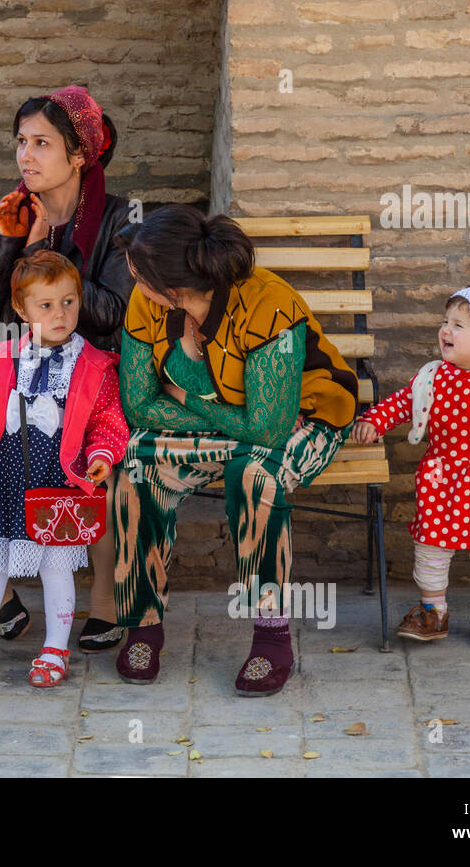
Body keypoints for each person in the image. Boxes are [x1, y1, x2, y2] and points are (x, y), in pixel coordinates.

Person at [112, 205, 359, 695]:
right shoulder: (147, 304)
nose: (132, 281)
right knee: (136, 464)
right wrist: (206, 407)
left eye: (140, 275)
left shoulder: (270, 305)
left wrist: (186, 401)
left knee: (256, 472)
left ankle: (271, 637)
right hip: (238, 422)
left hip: (310, 417)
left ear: (174, 290)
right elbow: (139, 406)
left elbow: (268, 434)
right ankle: (143, 625)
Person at [0, 85, 135, 651]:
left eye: (41, 144)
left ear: (79, 156)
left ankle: (104, 600)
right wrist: (10, 247)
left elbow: (116, 314)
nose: (25, 157)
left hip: (96, 382)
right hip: (15, 380)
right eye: (21, 143)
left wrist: (47, 260)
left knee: (104, 475)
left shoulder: (120, 220)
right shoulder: (10, 214)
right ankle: (1, 591)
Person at [0, 251, 128, 686]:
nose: (61, 313)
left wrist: (102, 455)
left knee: (55, 567)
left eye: (69, 301)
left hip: (57, 486)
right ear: (21, 309)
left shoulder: (95, 366)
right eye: (46, 305)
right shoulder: (1, 358)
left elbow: (107, 419)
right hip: (7, 483)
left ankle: (54, 649)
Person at [353, 282, 470, 649]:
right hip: (439, 481)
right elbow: (403, 402)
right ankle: (432, 611)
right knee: (431, 548)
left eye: (458, 325)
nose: (445, 330)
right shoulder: (433, 377)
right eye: (445, 321)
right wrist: (375, 420)